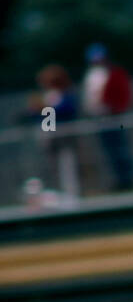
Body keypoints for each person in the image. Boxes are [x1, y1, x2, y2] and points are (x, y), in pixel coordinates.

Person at [82, 43, 133, 191]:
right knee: (109, 151)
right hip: (99, 118)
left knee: (119, 148)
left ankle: (127, 179)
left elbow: (120, 94)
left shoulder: (113, 73)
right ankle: (118, 179)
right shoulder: (91, 76)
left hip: (114, 117)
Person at [28, 64, 80, 200]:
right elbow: (42, 115)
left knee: (68, 165)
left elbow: (64, 111)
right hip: (49, 135)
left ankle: (71, 196)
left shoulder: (66, 94)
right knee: (52, 168)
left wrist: (44, 108)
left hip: (64, 134)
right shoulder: (48, 96)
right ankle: (56, 196)